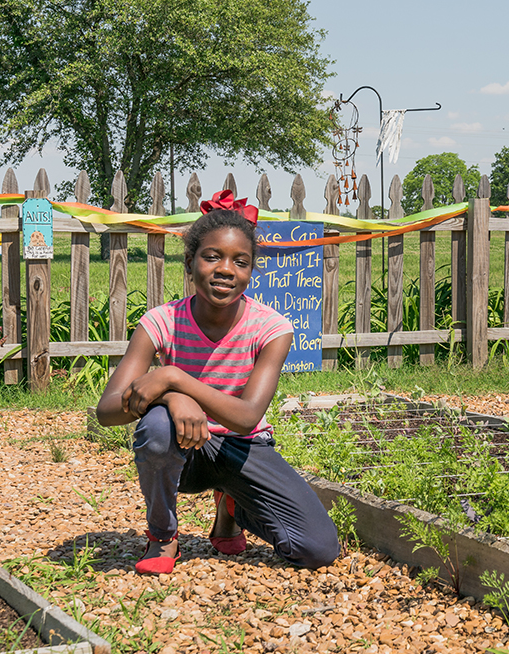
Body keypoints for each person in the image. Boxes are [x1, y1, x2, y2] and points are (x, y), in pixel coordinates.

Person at [96, 190, 340, 574]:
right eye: (212, 257)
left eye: (240, 262)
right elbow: (108, 411)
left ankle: (233, 506)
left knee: (316, 549)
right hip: (184, 449)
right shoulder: (161, 322)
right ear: (190, 262)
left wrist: (172, 378)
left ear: (250, 272)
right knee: (156, 427)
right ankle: (163, 535)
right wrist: (171, 399)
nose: (226, 269)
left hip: (241, 446)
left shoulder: (271, 328)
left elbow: (246, 418)